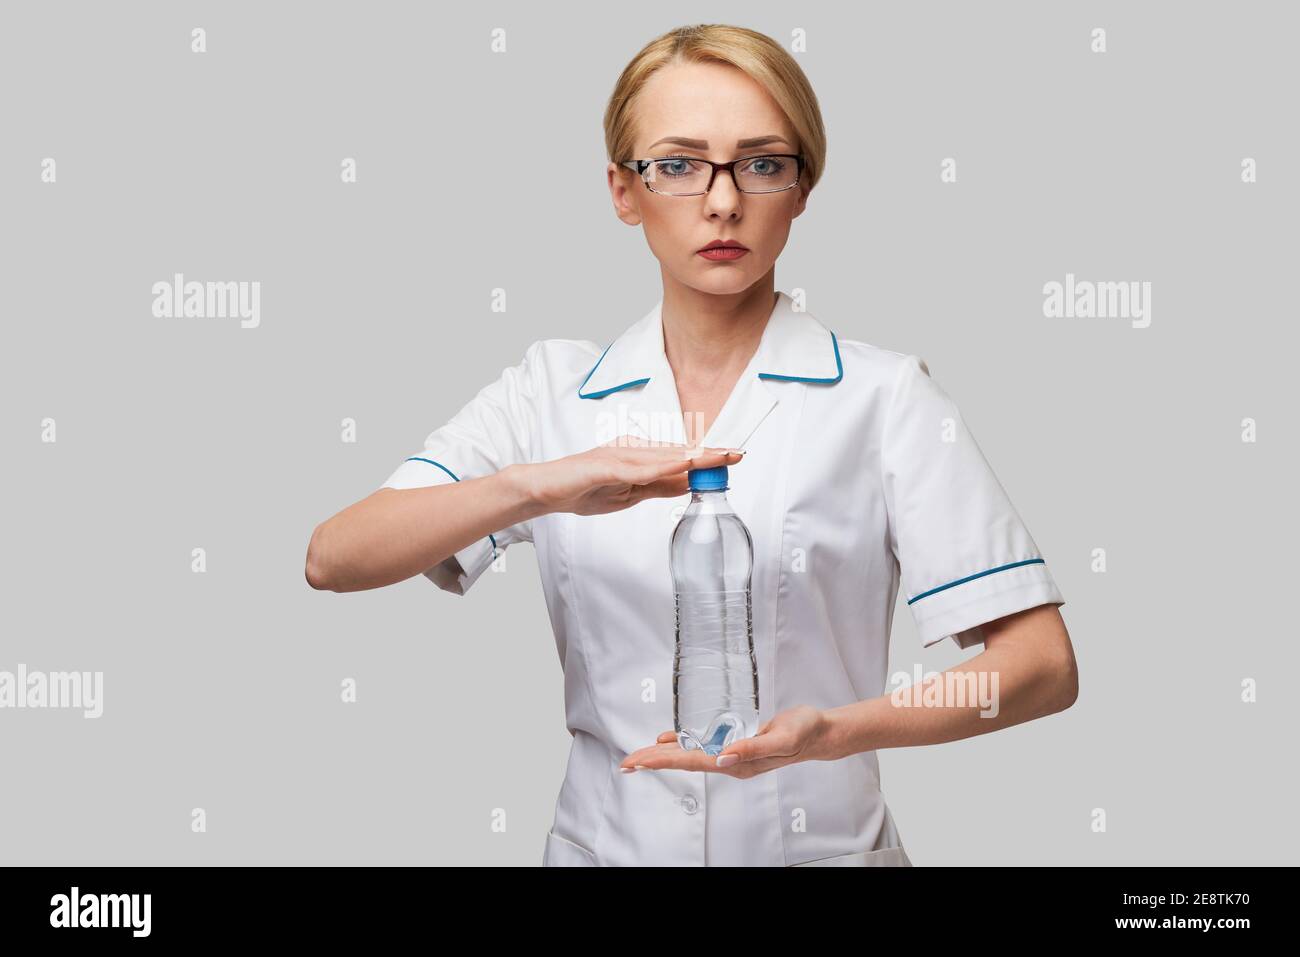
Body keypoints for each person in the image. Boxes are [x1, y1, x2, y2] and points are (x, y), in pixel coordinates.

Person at [305, 23, 1078, 867]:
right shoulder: (551, 394)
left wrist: (834, 732)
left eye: (762, 162)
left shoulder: (884, 398)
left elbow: (1040, 665)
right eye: (677, 165)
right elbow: (335, 556)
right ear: (623, 191)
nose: (722, 201)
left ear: (803, 186)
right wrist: (541, 487)